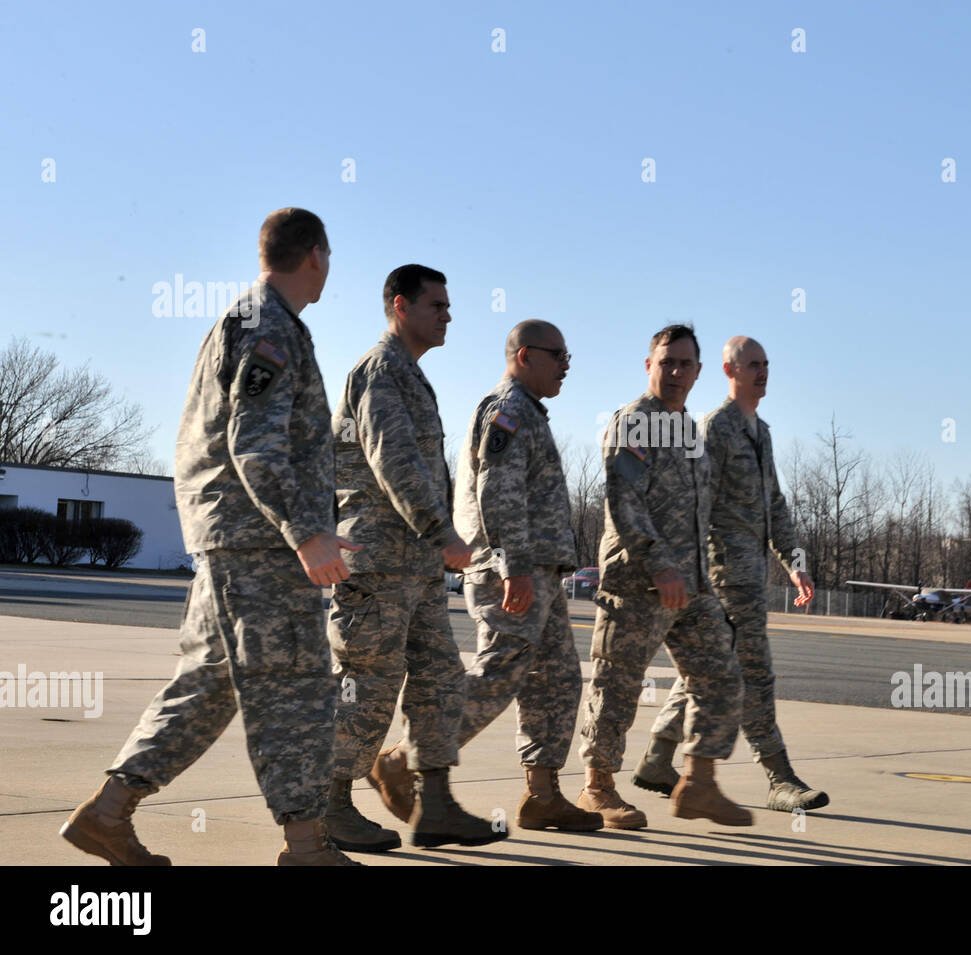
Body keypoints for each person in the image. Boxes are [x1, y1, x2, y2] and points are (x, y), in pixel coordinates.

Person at [60, 208, 362, 866]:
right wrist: (307, 531)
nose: (329, 270)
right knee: (296, 684)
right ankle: (307, 845)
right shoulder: (269, 326)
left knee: (209, 681)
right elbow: (254, 442)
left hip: (238, 536)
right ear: (314, 255)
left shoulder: (255, 319)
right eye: (329, 257)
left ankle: (108, 813)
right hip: (258, 543)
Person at [367, 320, 602, 833]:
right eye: (558, 354)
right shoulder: (508, 410)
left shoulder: (530, 413)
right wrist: (512, 565)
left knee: (555, 679)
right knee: (499, 674)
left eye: (569, 355)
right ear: (524, 355)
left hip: (537, 572)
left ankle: (542, 794)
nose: (566, 364)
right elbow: (497, 491)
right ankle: (403, 758)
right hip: (510, 571)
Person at [326, 264, 504, 851]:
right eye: (437, 305)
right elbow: (393, 460)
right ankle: (326, 807)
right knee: (367, 687)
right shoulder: (381, 372)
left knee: (440, 683)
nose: (448, 315)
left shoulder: (409, 375)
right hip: (379, 563)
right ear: (401, 306)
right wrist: (443, 532)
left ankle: (437, 807)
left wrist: (436, 546)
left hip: (417, 570)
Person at [632, 336, 826, 812]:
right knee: (754, 675)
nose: (761, 372)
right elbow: (695, 503)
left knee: (708, 672)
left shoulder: (760, 430)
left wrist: (795, 564)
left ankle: (658, 758)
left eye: (766, 364)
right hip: (724, 576)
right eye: (752, 365)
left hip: (749, 573)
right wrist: (690, 569)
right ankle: (779, 778)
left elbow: (775, 505)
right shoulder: (715, 429)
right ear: (727, 370)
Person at [577, 324, 751, 828]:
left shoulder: (690, 433)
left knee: (720, 675)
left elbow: (700, 512)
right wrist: (660, 563)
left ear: (699, 372)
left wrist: (705, 573)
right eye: (666, 361)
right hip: (637, 581)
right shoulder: (634, 422)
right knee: (617, 685)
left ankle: (698, 784)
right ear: (648, 365)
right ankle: (598, 786)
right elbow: (623, 500)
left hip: (691, 587)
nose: (675, 371)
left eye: (685, 363)